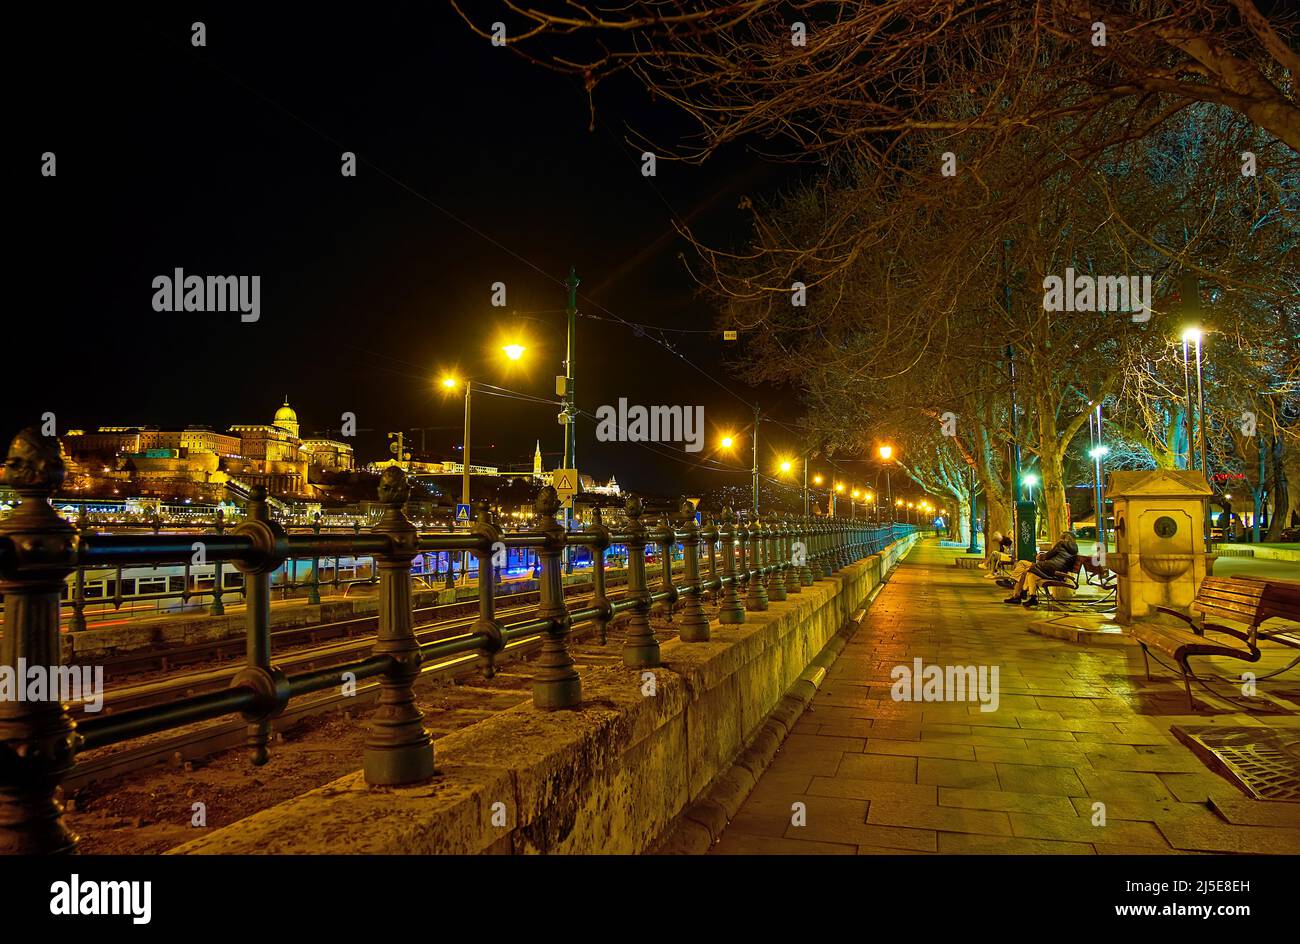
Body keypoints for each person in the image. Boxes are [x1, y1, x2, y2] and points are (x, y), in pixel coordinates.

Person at [1003, 530, 1079, 607]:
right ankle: (1031, 597)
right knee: (1030, 572)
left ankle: (1016, 586)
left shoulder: (1061, 543)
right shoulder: (1074, 549)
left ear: (1063, 538)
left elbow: (1047, 556)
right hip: (1056, 571)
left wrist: (1040, 556)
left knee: (1024, 566)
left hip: (1051, 568)